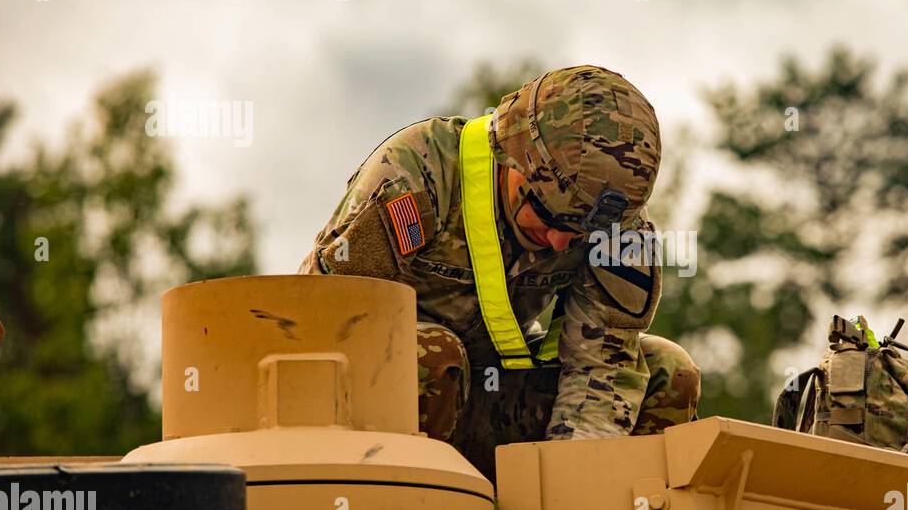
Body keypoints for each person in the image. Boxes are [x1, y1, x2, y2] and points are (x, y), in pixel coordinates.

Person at [299, 65, 700, 480]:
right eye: (549, 217)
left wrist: (570, 490)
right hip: (384, 415)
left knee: (668, 371)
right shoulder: (417, 175)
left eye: (581, 234)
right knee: (433, 354)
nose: (561, 243)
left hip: (496, 402)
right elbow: (325, 328)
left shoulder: (615, 228)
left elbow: (603, 368)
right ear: (514, 160)